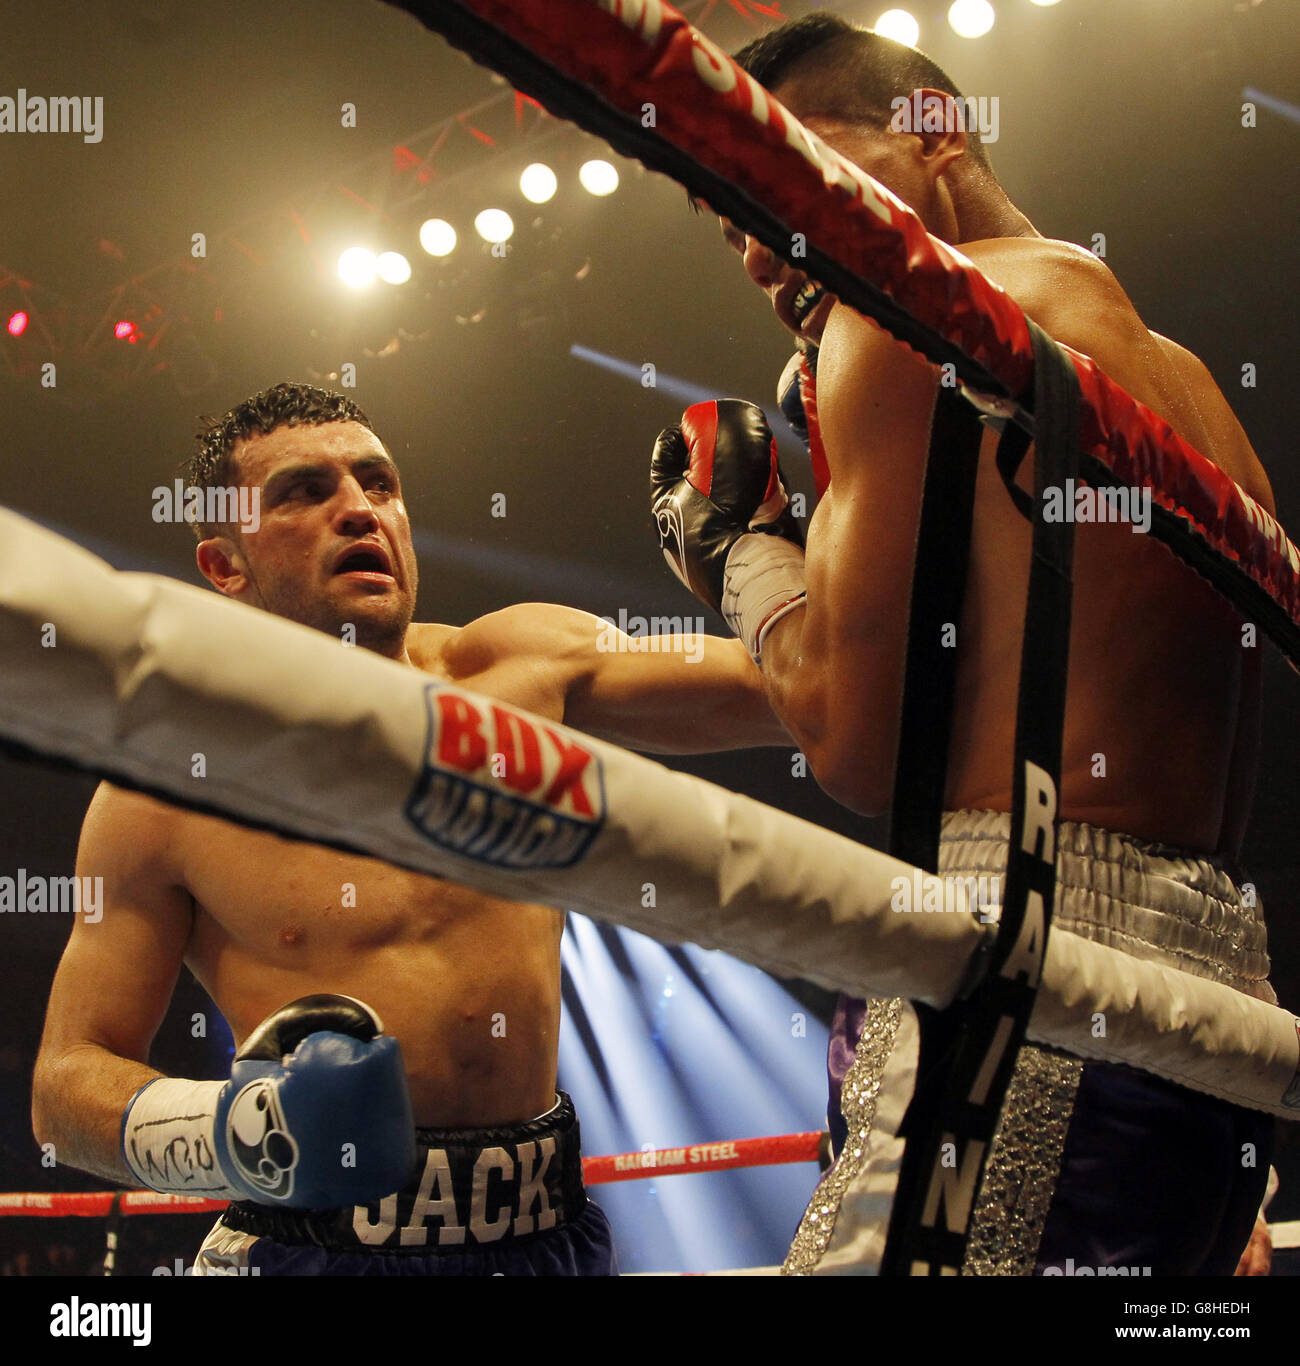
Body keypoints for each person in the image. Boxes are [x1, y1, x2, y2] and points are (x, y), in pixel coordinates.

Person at [652, 13, 1278, 1274]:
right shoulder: (1190, 384)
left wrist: (734, 549)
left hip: (1022, 969)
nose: (770, 259)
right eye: (734, 232)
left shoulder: (903, 313)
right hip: (1226, 1002)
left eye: (781, 184)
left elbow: (848, 740)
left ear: (934, 130)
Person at [32, 381, 790, 1277]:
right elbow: (65, 1084)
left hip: (544, 1239)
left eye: (377, 483)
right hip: (311, 1253)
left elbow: (808, 692)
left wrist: (748, 555)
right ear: (225, 564)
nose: (358, 509)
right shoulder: (165, 787)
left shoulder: (524, 669)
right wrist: (233, 1132)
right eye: (303, 492)